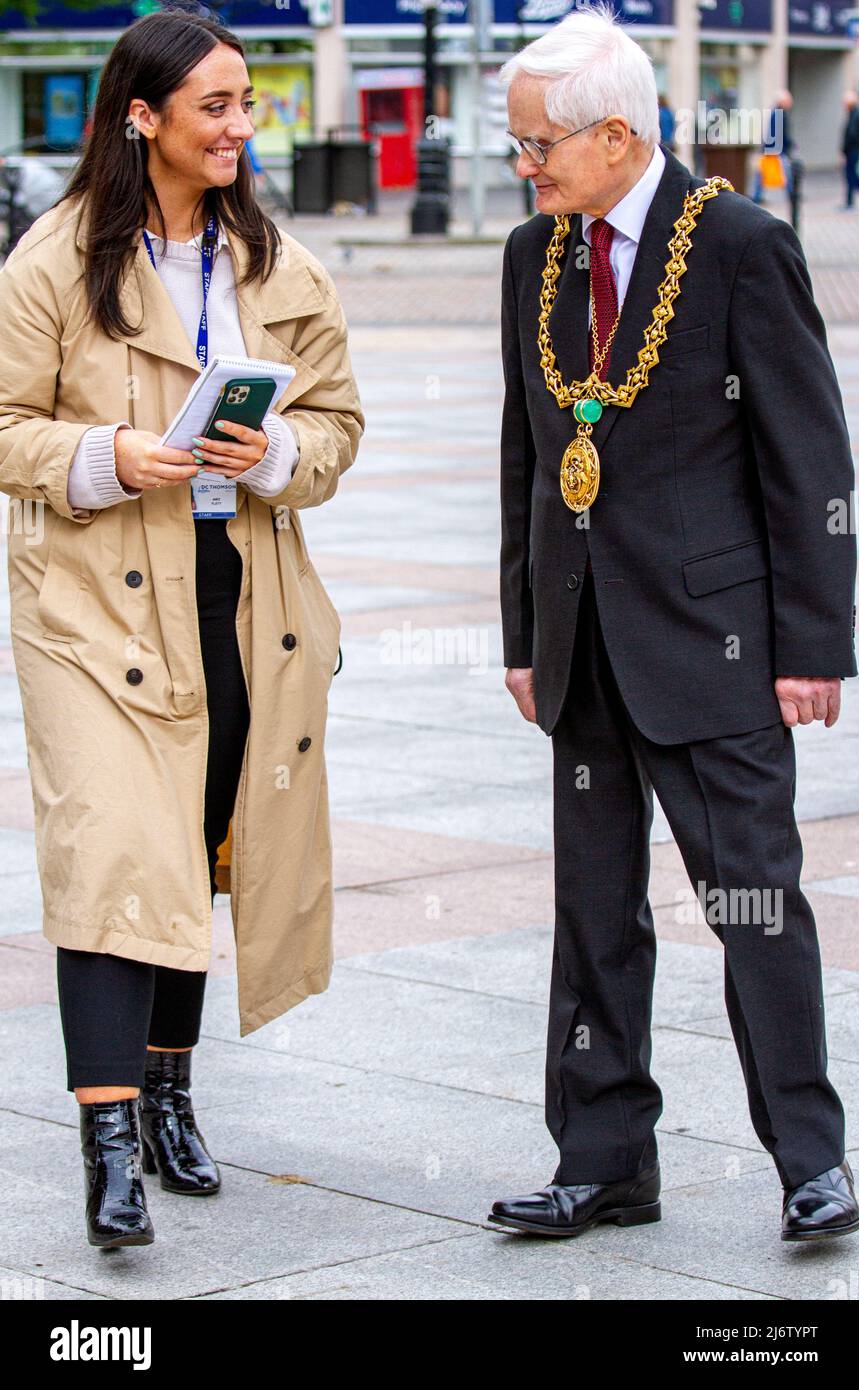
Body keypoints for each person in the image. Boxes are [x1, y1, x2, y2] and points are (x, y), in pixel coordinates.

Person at [493, 7, 859, 1243]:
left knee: (753, 903)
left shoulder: (744, 245)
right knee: (592, 911)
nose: (524, 168)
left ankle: (810, 1160)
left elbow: (808, 452)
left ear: (613, 133)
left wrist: (814, 646)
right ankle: (602, 1157)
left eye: (537, 146)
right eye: (515, 149)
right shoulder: (528, 255)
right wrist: (520, 628)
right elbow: (526, 460)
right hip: (582, 642)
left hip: (716, 645)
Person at [0, 11, 363, 1249]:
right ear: (141, 117)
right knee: (113, 845)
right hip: (92, 602)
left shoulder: (278, 268)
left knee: (200, 838)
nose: (239, 128)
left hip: (241, 589)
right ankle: (108, 1141)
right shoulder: (52, 262)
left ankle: (168, 1095)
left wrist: (276, 455)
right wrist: (108, 456)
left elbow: (339, 433)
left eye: (247, 103)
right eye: (214, 105)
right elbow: (3, 429)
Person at [840, 90, 859, 210]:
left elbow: (852, 134)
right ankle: (850, 201)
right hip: (852, 149)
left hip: (853, 150)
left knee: (852, 176)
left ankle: (850, 202)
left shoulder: (857, 113)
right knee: (851, 176)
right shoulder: (854, 113)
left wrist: (845, 149)